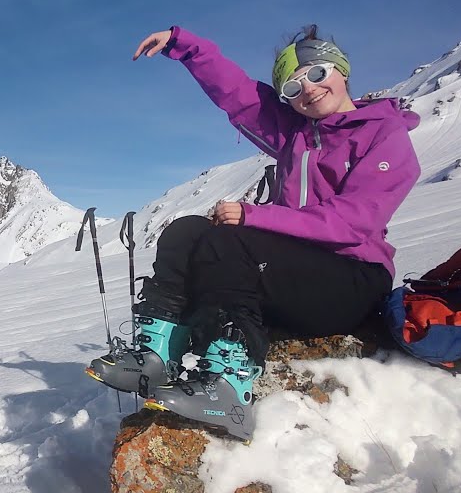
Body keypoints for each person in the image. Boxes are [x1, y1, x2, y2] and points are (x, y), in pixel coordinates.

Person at [86, 24, 420, 441]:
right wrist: (183, 45)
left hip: (351, 281)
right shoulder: (297, 135)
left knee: (233, 239)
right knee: (188, 232)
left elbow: (353, 222)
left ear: (342, 70)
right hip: (292, 274)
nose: (309, 90)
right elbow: (239, 95)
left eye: (317, 74)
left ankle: (229, 386)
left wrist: (257, 216)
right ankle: (158, 355)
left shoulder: (384, 133)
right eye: (293, 88)